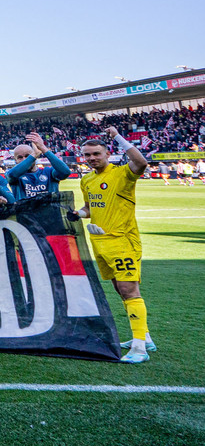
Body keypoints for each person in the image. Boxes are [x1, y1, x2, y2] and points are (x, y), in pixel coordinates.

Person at [70, 128, 153, 363]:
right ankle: (144, 337)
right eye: (87, 155)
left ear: (107, 154)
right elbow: (90, 208)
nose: (92, 158)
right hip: (100, 242)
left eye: (96, 154)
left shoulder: (123, 173)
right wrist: (78, 213)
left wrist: (117, 136)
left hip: (122, 240)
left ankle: (139, 349)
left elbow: (141, 162)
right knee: (119, 289)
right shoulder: (87, 179)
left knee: (129, 290)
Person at [6, 133, 72, 200]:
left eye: (27, 156)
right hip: (26, 210)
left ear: (36, 157)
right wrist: (33, 155)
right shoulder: (13, 174)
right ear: (15, 160)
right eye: (20, 157)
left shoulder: (49, 172)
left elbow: (66, 172)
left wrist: (44, 149)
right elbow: (11, 175)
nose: (24, 159)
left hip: (49, 210)